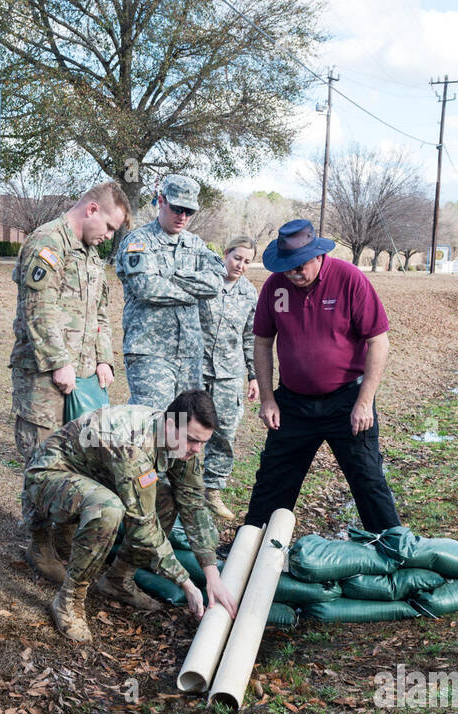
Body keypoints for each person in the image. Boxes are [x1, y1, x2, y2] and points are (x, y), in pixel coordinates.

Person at [23, 391, 237, 644]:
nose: (196, 449)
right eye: (192, 440)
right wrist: (186, 583)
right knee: (108, 508)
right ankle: (67, 599)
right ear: (171, 424)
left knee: (166, 501)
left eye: (203, 442)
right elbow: (142, 523)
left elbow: (193, 504)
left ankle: (117, 580)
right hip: (49, 476)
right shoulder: (132, 446)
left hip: (95, 477)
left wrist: (212, 575)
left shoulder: (180, 441)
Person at [243, 219, 400, 533]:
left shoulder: (349, 279)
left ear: (318, 256)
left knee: (368, 479)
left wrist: (364, 401)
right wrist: (269, 399)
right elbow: (262, 341)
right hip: (293, 403)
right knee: (273, 479)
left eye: (299, 266)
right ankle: (250, 549)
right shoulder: (275, 286)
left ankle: (391, 548)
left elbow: (378, 341)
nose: (293, 273)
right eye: (287, 267)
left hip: (346, 400)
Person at [10, 182, 130, 580]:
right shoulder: (47, 243)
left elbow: (99, 314)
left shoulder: (92, 257)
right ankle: (39, 545)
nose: (109, 236)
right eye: (109, 227)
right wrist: (59, 362)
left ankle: (63, 536)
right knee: (42, 458)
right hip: (44, 377)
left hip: (83, 379)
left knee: (74, 460)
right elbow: (38, 308)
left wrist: (104, 360)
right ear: (91, 209)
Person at [115, 175, 225, 410]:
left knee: (184, 426)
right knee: (153, 423)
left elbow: (215, 284)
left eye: (189, 211)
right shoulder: (139, 241)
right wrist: (194, 293)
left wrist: (170, 278)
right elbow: (147, 288)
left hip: (190, 354)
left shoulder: (195, 244)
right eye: (177, 209)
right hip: (149, 352)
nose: (182, 217)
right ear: (161, 201)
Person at [198, 235, 260, 521]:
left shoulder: (249, 294)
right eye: (237, 258)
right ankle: (175, 489)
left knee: (224, 433)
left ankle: (212, 491)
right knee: (181, 429)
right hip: (195, 369)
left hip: (228, 374)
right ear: (225, 253)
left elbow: (251, 337)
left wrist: (254, 375)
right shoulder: (204, 283)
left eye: (247, 261)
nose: (241, 265)